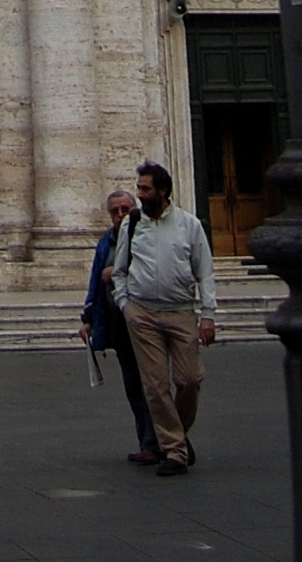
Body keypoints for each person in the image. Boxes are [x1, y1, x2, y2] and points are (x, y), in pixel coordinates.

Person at [118, 160, 217, 476]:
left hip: (180, 311)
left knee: (189, 380)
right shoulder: (132, 224)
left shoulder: (189, 224)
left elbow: (205, 271)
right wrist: (125, 304)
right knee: (155, 385)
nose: (139, 194)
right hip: (142, 313)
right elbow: (119, 269)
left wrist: (208, 315)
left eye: (145, 189)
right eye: (139, 188)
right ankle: (175, 451)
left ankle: (176, 434)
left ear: (162, 191)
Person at [78, 188, 159, 465]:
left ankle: (164, 441)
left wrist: (121, 271)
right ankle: (147, 442)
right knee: (133, 386)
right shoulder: (106, 243)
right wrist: (88, 319)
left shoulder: (147, 237)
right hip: (119, 323)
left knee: (153, 385)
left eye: (126, 210)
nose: (121, 215)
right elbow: (94, 281)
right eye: (115, 211)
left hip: (147, 320)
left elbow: (156, 271)